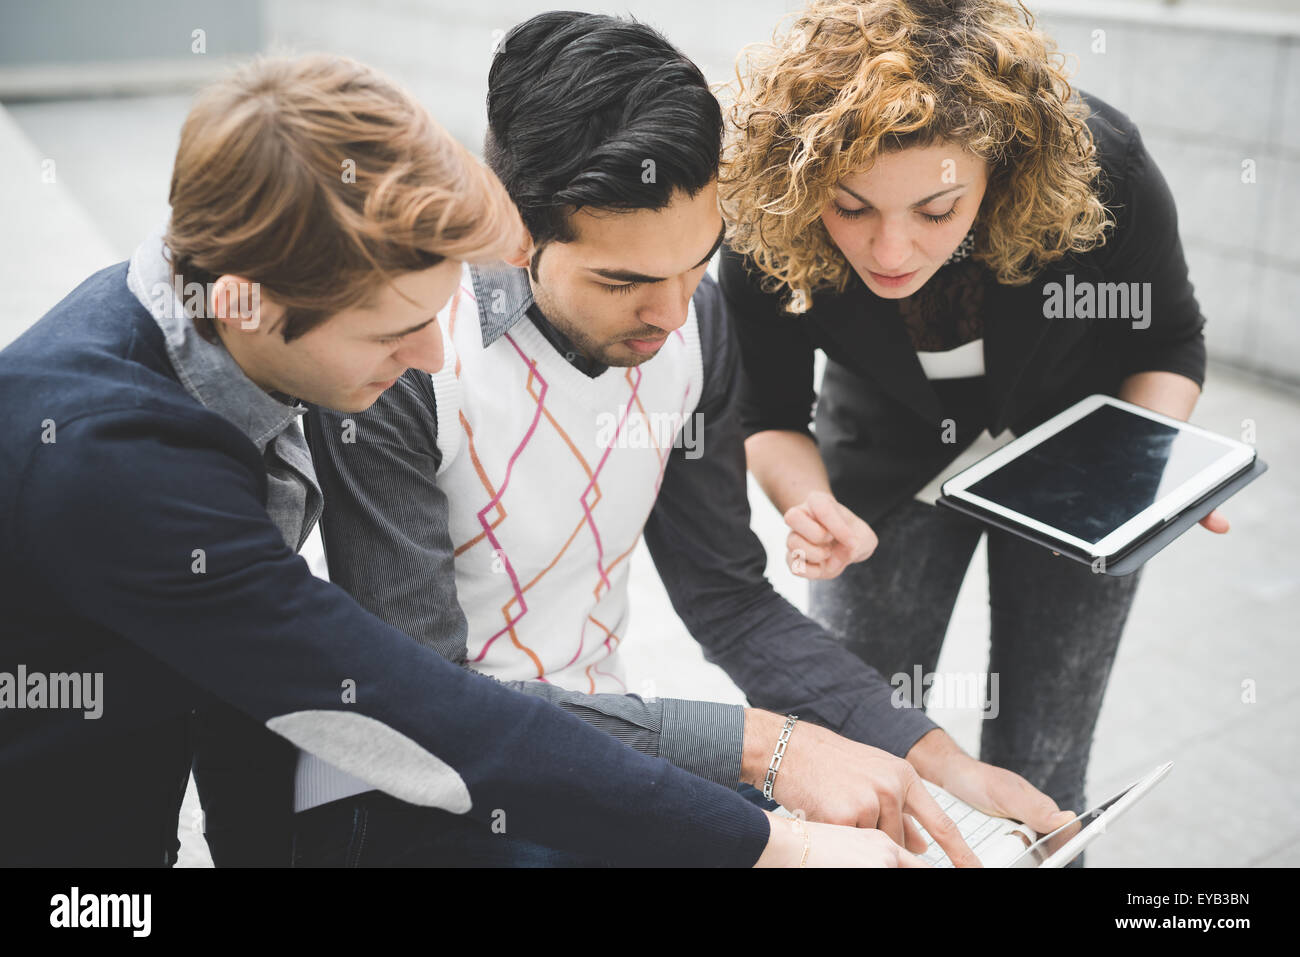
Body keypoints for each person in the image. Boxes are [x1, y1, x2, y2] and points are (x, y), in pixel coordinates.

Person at [0, 52, 916, 869]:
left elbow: (257, 690)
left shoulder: (191, 293)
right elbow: (408, 707)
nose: (434, 359)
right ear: (248, 303)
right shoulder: (113, 462)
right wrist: (774, 833)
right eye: (396, 332)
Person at [287, 12, 1074, 867]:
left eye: (696, 263)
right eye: (623, 280)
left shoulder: (697, 323)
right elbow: (432, 700)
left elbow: (727, 597)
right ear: (513, 232)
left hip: (606, 759)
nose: (670, 313)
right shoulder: (399, 352)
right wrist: (766, 746)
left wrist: (935, 758)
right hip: (404, 792)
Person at [716, 0, 1224, 863]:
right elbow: (767, 415)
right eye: (851, 207)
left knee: (1047, 759)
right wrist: (810, 506)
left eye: (937, 208)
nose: (890, 249)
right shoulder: (774, 212)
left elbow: (1170, 340)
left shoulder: (1101, 166)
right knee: (858, 743)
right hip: (882, 464)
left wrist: (1143, 463)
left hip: (1077, 467)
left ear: (1003, 170)